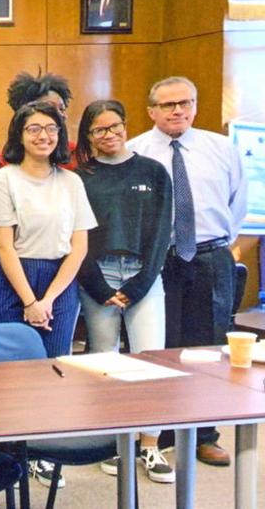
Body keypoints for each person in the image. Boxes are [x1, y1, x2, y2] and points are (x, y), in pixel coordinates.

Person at [127, 76, 247, 466]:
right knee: (161, 345)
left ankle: (204, 434)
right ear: (151, 111)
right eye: (167, 105)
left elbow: (237, 202)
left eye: (185, 103)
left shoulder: (221, 147)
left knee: (209, 348)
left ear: (195, 105)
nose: (177, 110)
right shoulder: (135, 152)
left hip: (211, 256)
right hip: (158, 259)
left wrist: (220, 245)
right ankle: (157, 432)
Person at [74, 100, 175, 483]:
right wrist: (99, 287)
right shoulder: (80, 178)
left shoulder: (153, 171)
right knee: (105, 361)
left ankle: (149, 446)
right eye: (99, 129)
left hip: (142, 275)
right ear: (88, 136)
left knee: (152, 360)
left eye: (115, 125)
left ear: (125, 125)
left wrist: (140, 284)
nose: (109, 134)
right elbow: (76, 238)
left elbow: (161, 234)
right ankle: (116, 443)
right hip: (97, 276)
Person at [0, 101, 95, 357]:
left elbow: (79, 247)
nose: (43, 136)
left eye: (51, 128)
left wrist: (47, 301)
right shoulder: (5, 178)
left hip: (60, 281)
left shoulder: (72, 182)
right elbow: (3, 246)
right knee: (13, 365)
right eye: (33, 129)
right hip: (11, 278)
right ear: (19, 136)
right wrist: (30, 303)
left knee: (55, 361)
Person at [6, 71, 78, 169]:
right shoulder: (5, 166)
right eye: (49, 108)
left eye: (62, 109)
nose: (60, 114)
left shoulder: (75, 154)